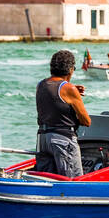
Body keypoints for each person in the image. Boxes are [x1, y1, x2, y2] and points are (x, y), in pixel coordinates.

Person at [35, 49, 90, 178]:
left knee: (46, 180)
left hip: (42, 139)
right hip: (63, 140)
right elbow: (86, 121)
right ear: (70, 69)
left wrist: (72, 90)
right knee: (72, 180)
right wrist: (73, 92)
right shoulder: (68, 88)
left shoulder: (41, 85)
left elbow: (53, 97)